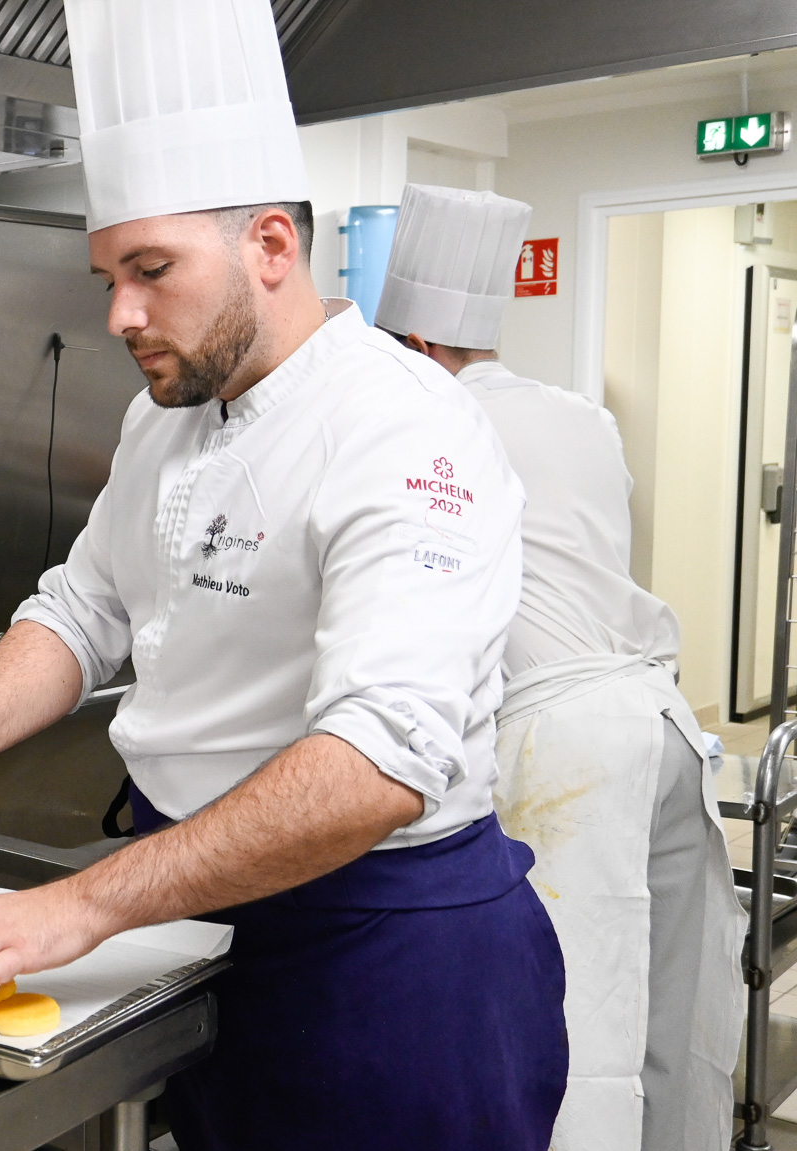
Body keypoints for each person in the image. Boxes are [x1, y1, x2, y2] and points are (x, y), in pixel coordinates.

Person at [0, 2, 568, 1147]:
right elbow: (81, 604)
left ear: (270, 247)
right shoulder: (168, 420)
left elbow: (378, 759)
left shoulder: (401, 429)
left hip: (377, 957)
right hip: (203, 925)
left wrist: (84, 901)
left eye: (150, 270)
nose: (117, 315)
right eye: (105, 275)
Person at [375, 183, 744, 1151]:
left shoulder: (423, 421)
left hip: (563, 746)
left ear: (414, 347)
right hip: (658, 725)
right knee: (665, 1002)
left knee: (573, 1018)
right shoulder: (579, 414)